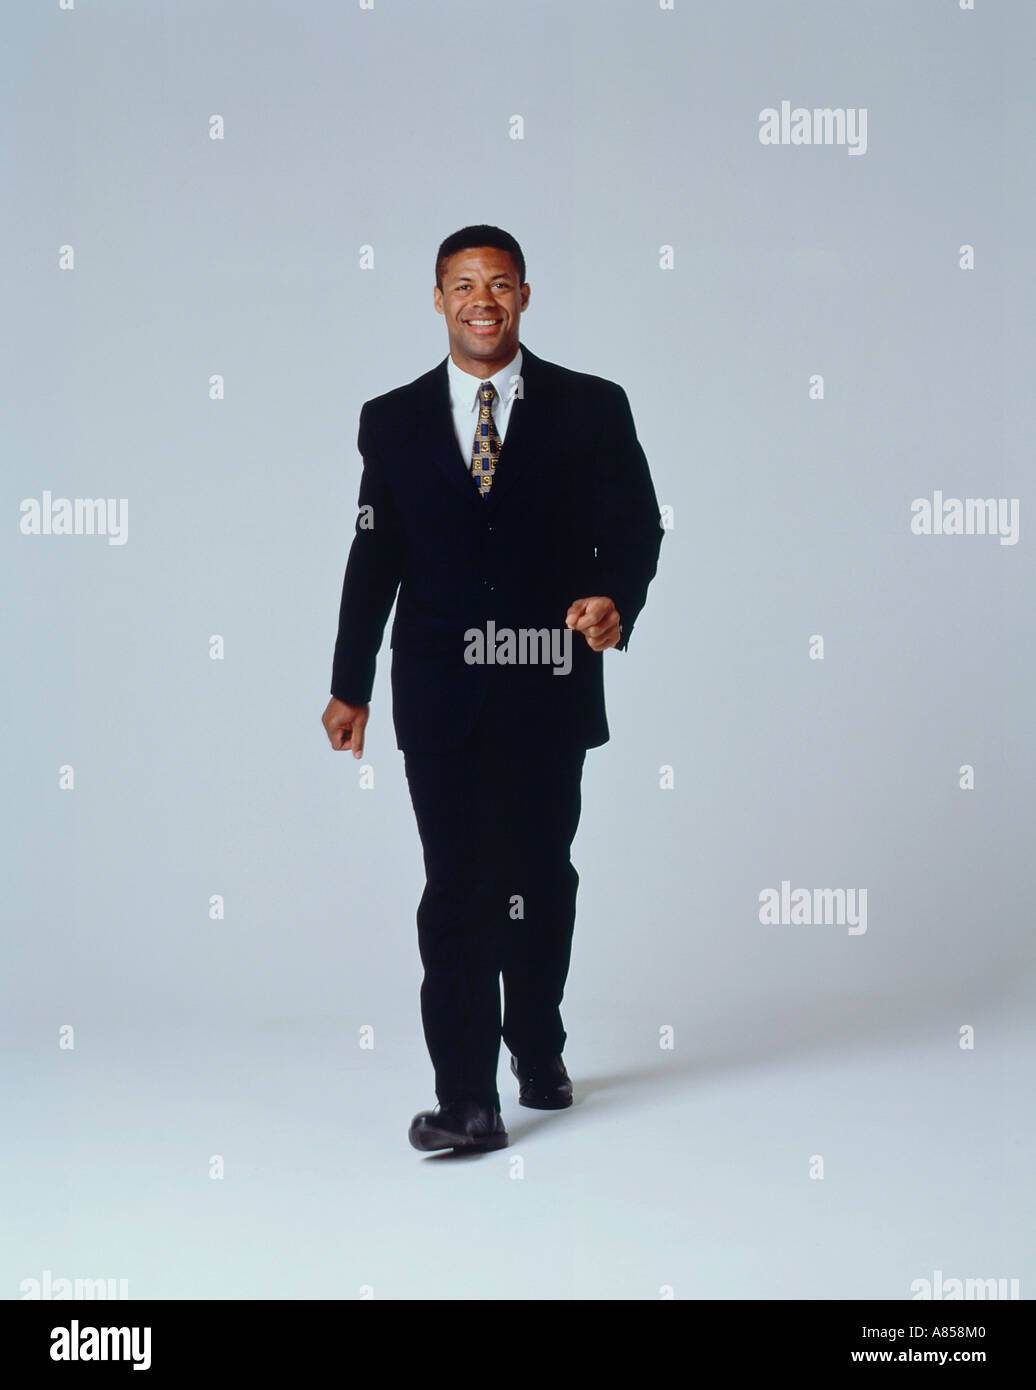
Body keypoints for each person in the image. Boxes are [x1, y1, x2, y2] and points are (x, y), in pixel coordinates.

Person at [322, 225, 663, 1153]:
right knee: (458, 889)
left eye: (500, 283)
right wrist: (349, 683)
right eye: (463, 283)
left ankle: (538, 1046)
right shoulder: (392, 421)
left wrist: (613, 598)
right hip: (438, 692)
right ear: (438, 299)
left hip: (545, 683)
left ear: (524, 295)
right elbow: (375, 553)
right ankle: (468, 1098)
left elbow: (635, 527)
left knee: (540, 880)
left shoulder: (592, 408)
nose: (483, 299)